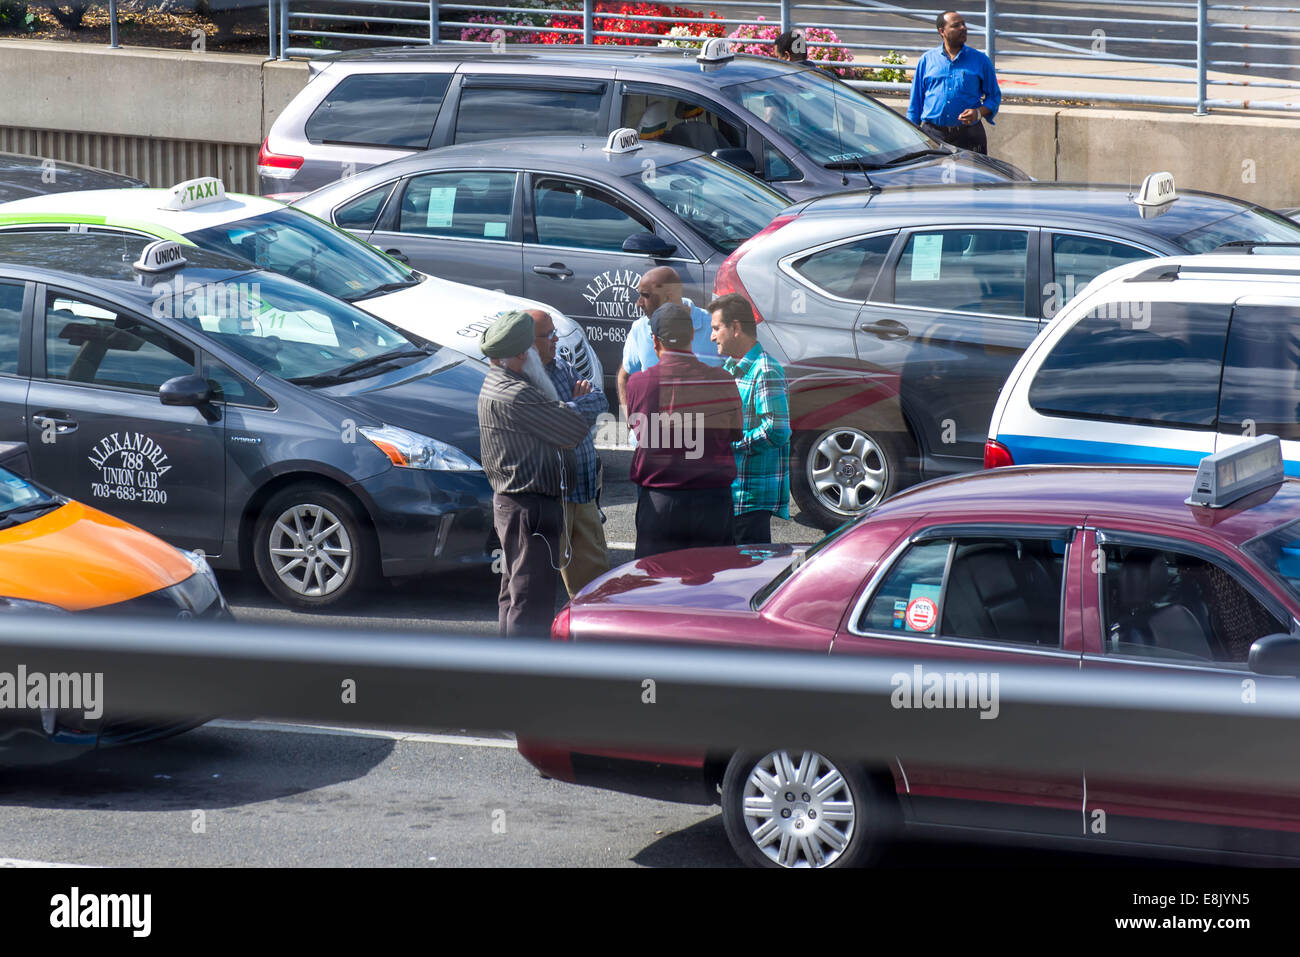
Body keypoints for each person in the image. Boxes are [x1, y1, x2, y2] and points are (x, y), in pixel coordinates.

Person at [477, 310, 593, 638]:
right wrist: (577, 403)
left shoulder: (500, 381)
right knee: (531, 595)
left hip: (516, 504)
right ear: (518, 354)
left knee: (514, 591)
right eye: (530, 349)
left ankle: (510, 666)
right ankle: (525, 671)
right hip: (529, 507)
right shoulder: (517, 393)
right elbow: (570, 431)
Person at [626, 303, 743, 559]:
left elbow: (641, 433)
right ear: (692, 335)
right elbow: (736, 433)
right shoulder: (722, 380)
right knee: (713, 586)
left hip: (661, 502)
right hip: (713, 503)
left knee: (657, 589)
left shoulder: (639, 383)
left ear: (655, 341)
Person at [528, 308, 611, 597]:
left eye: (555, 332)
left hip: (584, 492)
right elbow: (552, 425)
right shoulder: (524, 380)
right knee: (540, 585)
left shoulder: (561, 367)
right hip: (555, 497)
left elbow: (600, 400)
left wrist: (570, 410)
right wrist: (575, 410)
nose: (555, 339)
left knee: (595, 580)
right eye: (548, 334)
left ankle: (591, 635)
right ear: (527, 342)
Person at [708, 293, 790, 544]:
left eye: (716, 328)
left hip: (750, 502)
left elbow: (777, 430)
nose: (712, 336)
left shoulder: (765, 370)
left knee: (747, 578)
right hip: (733, 497)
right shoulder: (731, 369)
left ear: (735, 328)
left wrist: (730, 444)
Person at [617, 265, 723, 414]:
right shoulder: (640, 328)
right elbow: (625, 376)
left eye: (645, 295)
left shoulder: (714, 327)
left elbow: (740, 379)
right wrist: (629, 416)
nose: (638, 303)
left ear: (667, 297)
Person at [906, 10, 1001, 156]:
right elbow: (915, 104)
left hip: (969, 136)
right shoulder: (927, 60)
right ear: (942, 31)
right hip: (933, 135)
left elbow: (994, 97)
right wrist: (909, 136)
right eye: (956, 25)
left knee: (973, 178)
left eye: (963, 24)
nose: (963, 28)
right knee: (931, 178)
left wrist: (978, 113)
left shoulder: (980, 60)